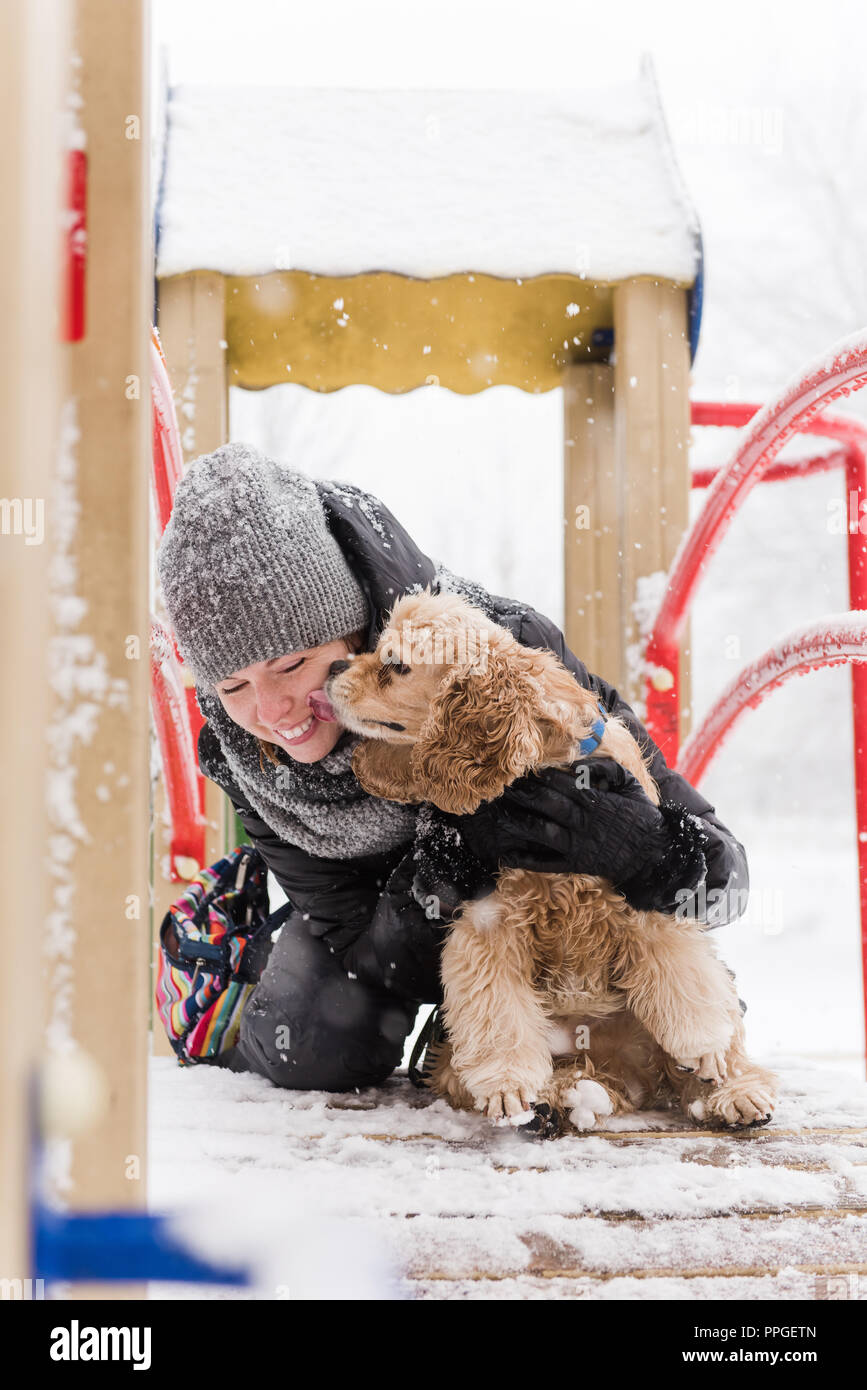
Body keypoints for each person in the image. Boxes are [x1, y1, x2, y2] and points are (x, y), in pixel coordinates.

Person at [156, 443, 749, 1092]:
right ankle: (433, 1020)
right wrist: (445, 868)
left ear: (353, 629)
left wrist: (648, 853)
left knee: (674, 994)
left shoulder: (498, 650)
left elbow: (727, 882)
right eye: (233, 687)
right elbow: (364, 955)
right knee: (318, 1038)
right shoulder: (241, 756)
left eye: (291, 665)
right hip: (408, 934)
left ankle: (584, 1032)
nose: (270, 711)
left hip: (568, 927)